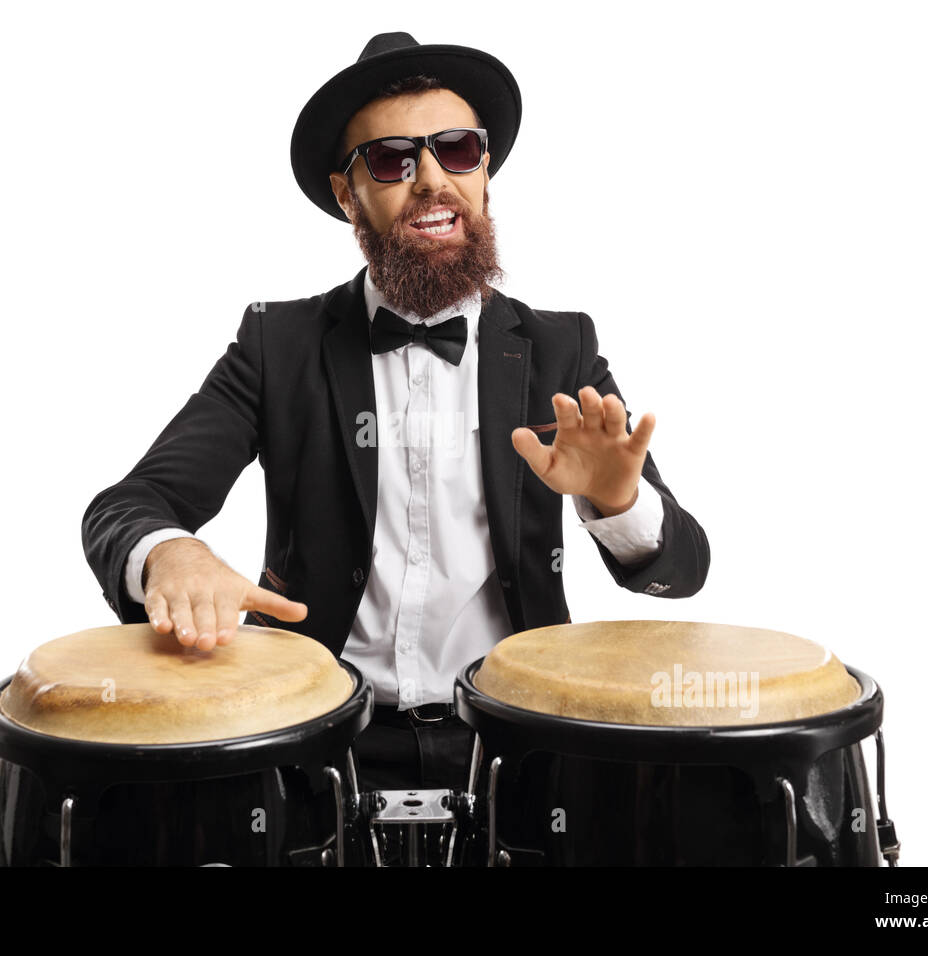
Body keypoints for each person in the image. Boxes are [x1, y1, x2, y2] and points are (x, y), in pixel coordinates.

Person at [82, 33, 709, 796]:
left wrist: (618, 502)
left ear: (486, 172)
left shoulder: (560, 349)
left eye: (457, 149)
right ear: (347, 195)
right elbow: (126, 506)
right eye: (391, 160)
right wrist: (170, 555)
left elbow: (683, 575)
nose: (432, 181)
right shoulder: (278, 345)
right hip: (315, 746)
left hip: (517, 744)